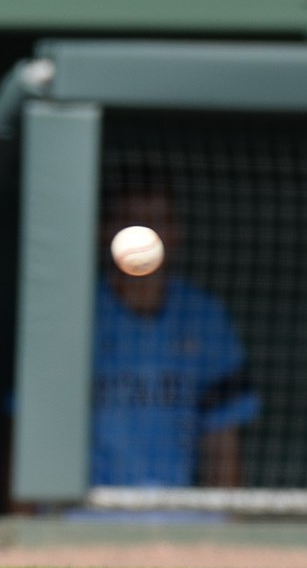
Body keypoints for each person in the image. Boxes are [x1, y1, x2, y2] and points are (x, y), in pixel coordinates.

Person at [91, 174, 259, 489]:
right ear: (105, 231)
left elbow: (223, 440)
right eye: (131, 222)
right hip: (83, 509)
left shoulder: (205, 317)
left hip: (175, 507)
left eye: (157, 222)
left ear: (176, 232)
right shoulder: (77, 317)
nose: (144, 237)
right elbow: (31, 423)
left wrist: (225, 516)